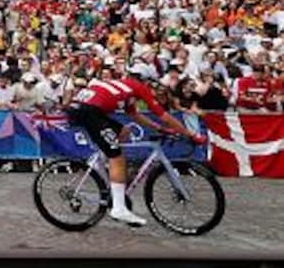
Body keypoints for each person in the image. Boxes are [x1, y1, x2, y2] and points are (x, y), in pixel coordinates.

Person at [66, 69, 205, 227]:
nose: (157, 94)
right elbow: (164, 116)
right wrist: (191, 135)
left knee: (124, 132)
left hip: (83, 107)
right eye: (156, 90)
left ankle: (105, 169)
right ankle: (119, 208)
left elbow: (134, 115)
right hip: (88, 111)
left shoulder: (128, 89)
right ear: (149, 83)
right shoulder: (140, 88)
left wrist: (158, 128)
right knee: (117, 158)